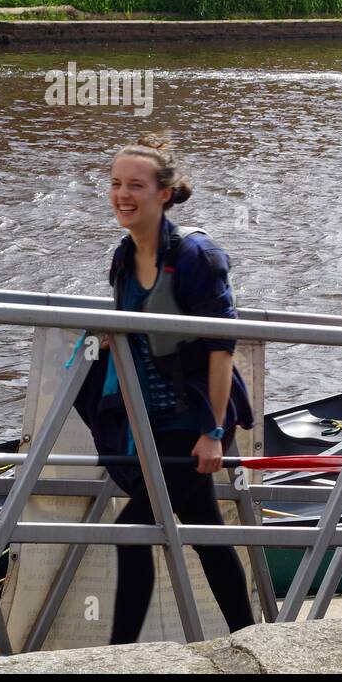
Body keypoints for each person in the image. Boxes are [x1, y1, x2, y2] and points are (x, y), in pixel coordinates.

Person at [74, 135, 256, 644]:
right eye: (115, 184)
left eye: (136, 185)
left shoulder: (198, 256)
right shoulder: (122, 258)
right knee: (204, 533)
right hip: (148, 424)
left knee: (132, 533)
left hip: (191, 421)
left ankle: (120, 654)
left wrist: (214, 432)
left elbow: (223, 347)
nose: (122, 195)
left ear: (165, 194)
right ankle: (253, 638)